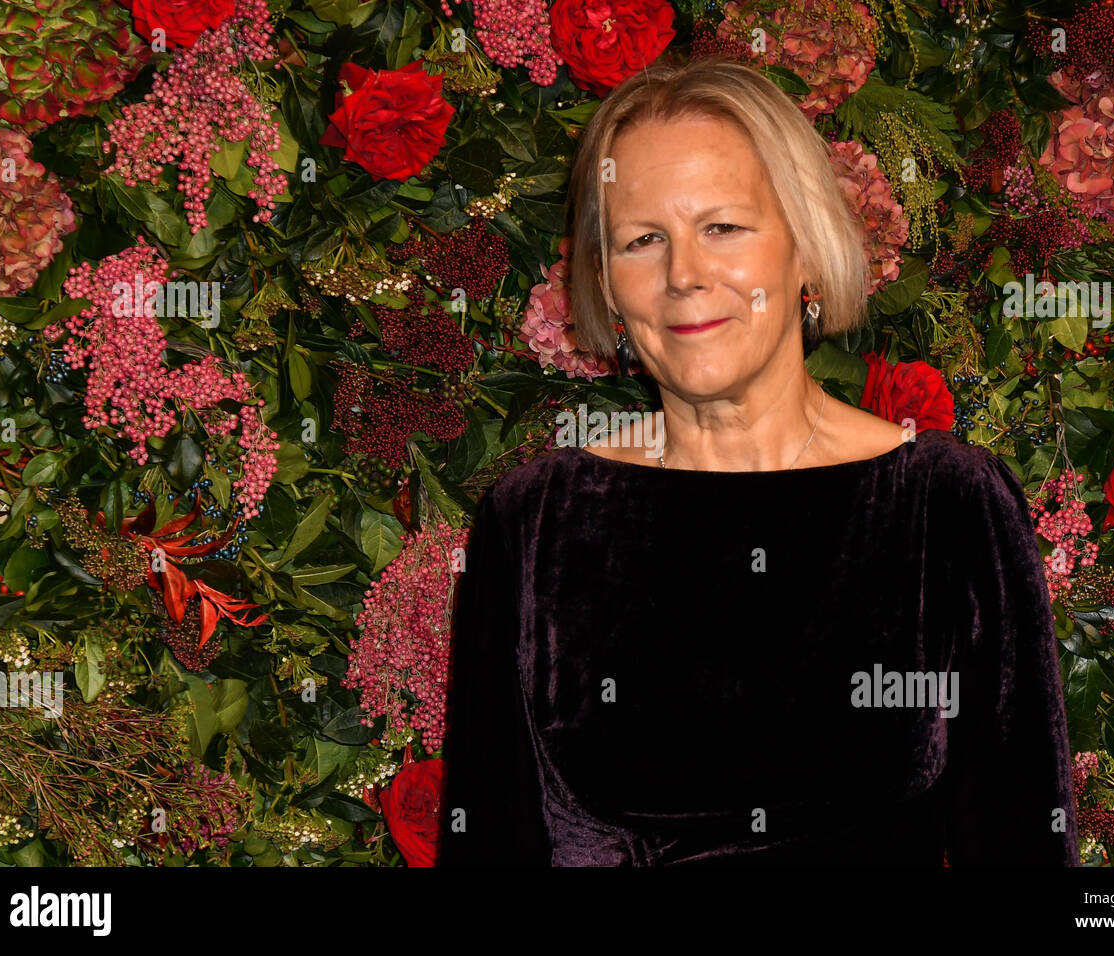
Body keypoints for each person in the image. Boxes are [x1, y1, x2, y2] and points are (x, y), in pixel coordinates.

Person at [436, 56, 1078, 866]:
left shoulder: (946, 506)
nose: (685, 276)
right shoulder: (537, 522)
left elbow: (1024, 842)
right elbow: (489, 844)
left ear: (805, 250)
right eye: (642, 241)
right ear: (607, 285)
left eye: (723, 227)